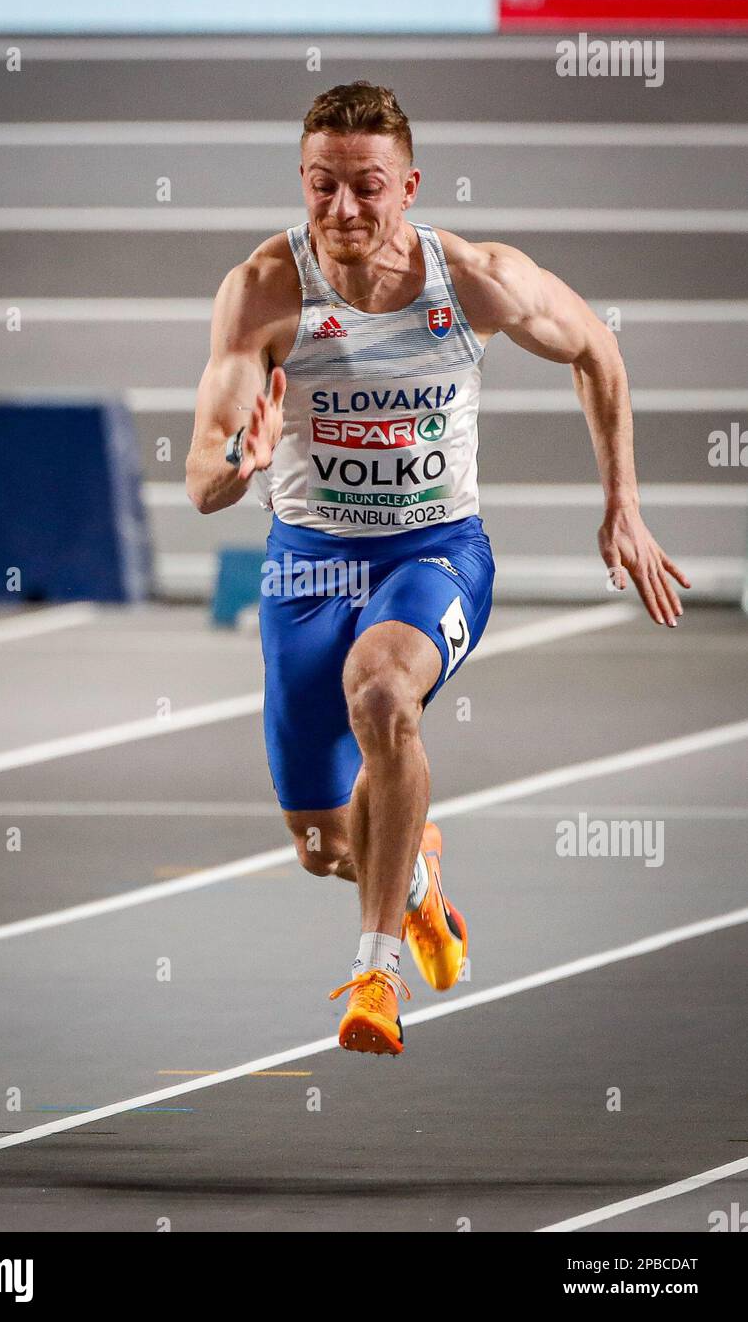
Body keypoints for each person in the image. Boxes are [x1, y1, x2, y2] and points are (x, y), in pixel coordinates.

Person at [185, 81, 689, 1055]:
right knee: (323, 843)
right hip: (303, 569)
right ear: (301, 182)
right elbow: (202, 473)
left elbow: (594, 348)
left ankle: (373, 978)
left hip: (433, 552)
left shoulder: (470, 279)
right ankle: (413, 877)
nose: (341, 211)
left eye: (365, 188)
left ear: (407, 186)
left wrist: (621, 504)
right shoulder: (262, 291)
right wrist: (234, 465)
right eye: (320, 186)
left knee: (380, 693)